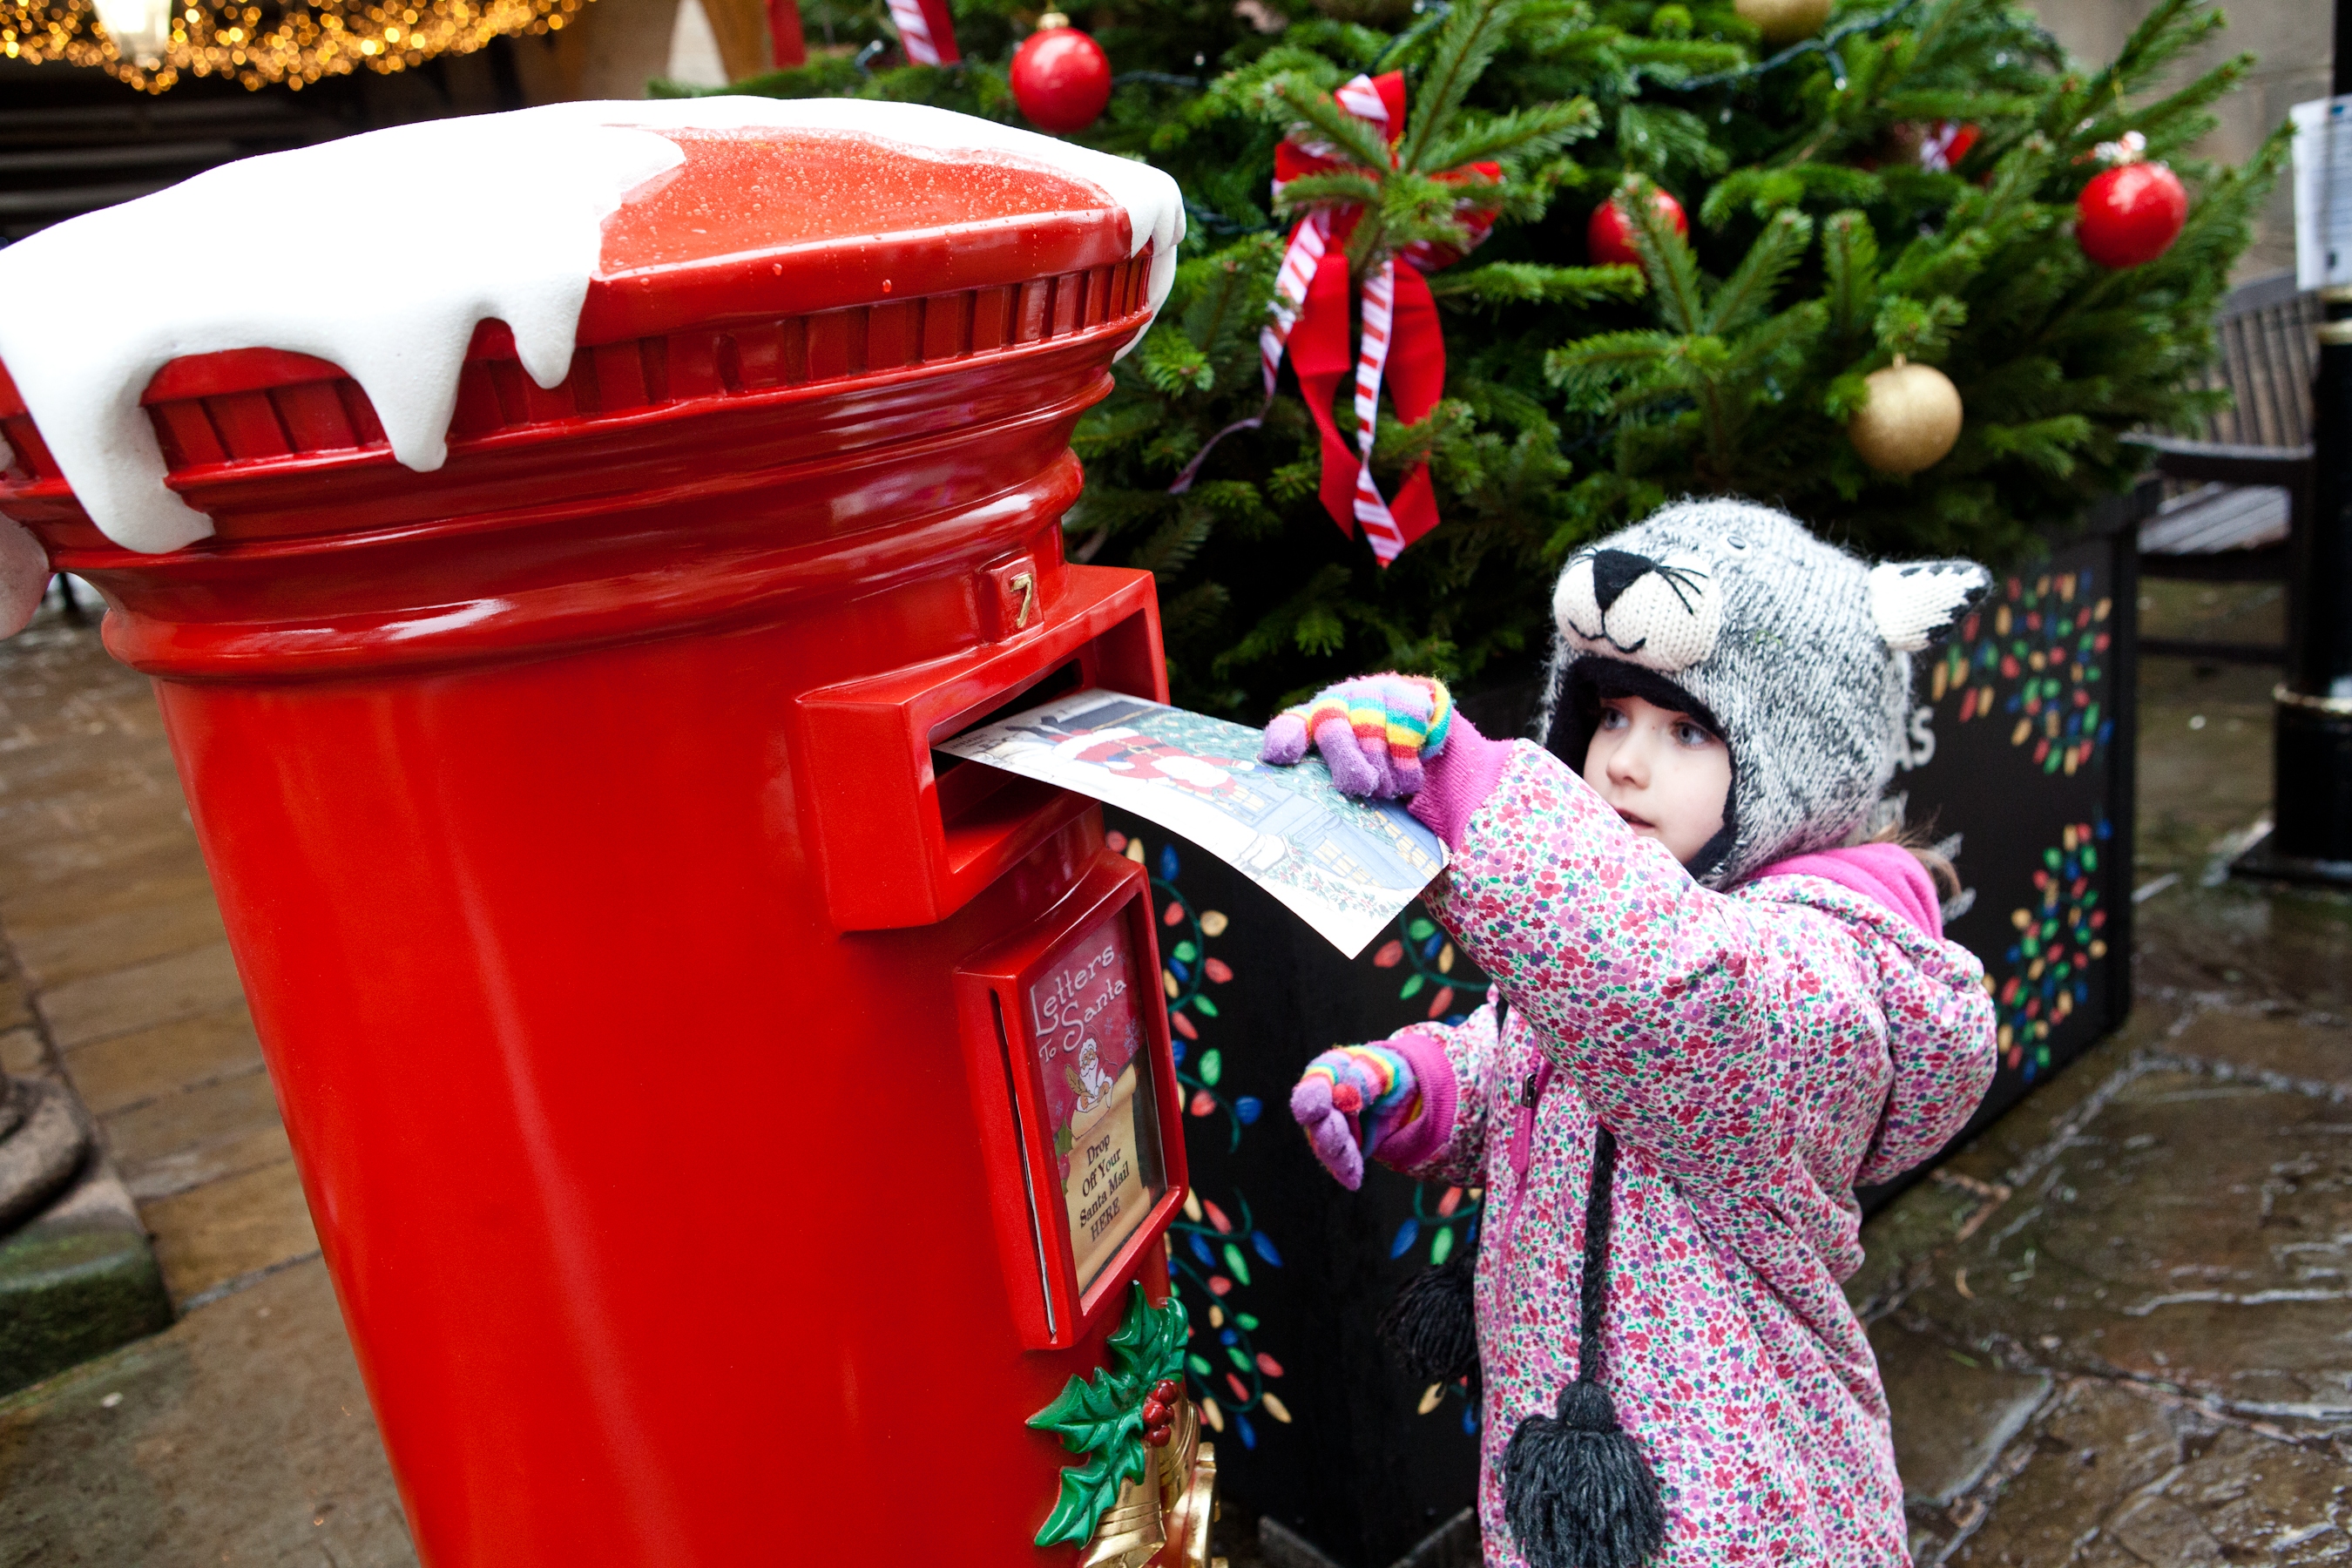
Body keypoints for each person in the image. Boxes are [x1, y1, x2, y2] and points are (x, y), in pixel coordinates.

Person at [1261, 500, 2000, 1568]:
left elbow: (1673, 1001)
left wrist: (1465, 786)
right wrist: (1429, 1086)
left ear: (1795, 760)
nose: (1623, 765)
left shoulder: (1820, 976)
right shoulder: (1633, 916)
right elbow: (1558, 1056)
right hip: (1562, 1437)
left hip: (1735, 1495)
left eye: (1687, 730)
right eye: (1611, 716)